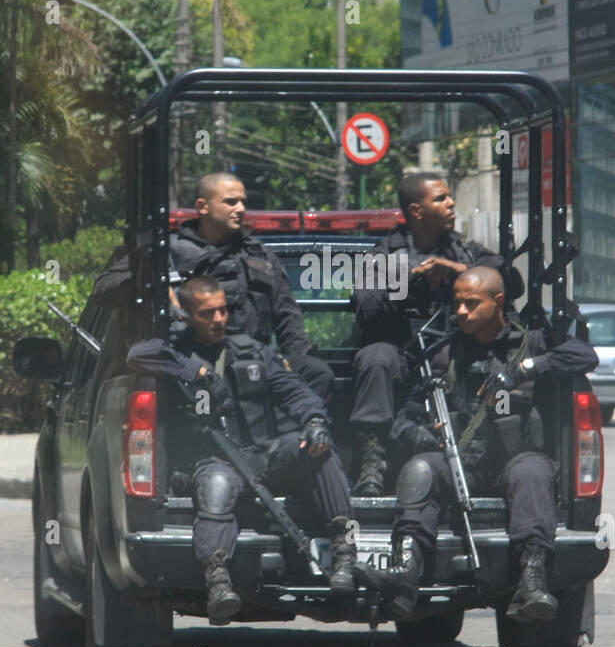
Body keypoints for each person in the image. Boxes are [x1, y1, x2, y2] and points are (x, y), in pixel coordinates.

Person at [354, 266, 598, 623]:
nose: (462, 312)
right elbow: (402, 418)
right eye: (457, 304)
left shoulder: (530, 343)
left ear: (498, 302)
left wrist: (522, 370)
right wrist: (421, 436)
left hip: (512, 462)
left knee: (533, 472)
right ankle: (405, 572)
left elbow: (584, 356)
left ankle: (531, 580)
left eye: (472, 304)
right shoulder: (442, 355)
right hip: (458, 463)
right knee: (419, 470)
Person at [125, 276, 357, 623]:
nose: (219, 319)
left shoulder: (251, 351)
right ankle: (218, 582)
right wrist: (195, 371)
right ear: (186, 316)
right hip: (212, 462)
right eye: (207, 313)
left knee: (312, 447)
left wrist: (314, 421)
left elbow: (296, 392)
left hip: (262, 456)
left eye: (223, 310)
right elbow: (137, 354)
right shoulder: (175, 352)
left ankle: (343, 554)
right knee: (217, 485)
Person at [348, 172, 524, 495]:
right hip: (404, 359)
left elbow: (512, 283)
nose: (451, 203)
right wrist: (407, 284)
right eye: (441, 198)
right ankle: (373, 459)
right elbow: (366, 309)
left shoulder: (467, 254)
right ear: (416, 211)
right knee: (375, 357)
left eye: (449, 196)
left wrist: (460, 273)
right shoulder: (382, 256)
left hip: (456, 358)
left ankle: (494, 462)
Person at [95, 171, 334, 401]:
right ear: (203, 206)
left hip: (253, 361)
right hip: (189, 364)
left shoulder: (260, 255)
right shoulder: (165, 253)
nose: (240, 209)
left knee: (316, 372)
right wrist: (151, 283)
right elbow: (104, 290)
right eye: (231, 202)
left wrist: (291, 364)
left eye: (243, 202)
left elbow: (288, 320)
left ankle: (296, 440)